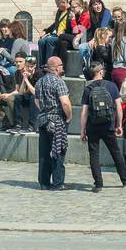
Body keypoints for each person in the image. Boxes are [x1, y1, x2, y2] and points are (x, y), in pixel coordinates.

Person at [80, 61, 126, 191]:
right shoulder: (111, 86)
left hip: (93, 126)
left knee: (94, 154)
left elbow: (84, 112)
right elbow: (119, 108)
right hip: (108, 125)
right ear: (101, 72)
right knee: (116, 152)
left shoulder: (88, 89)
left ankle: (98, 184)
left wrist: (82, 131)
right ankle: (125, 180)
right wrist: (119, 125)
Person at [34, 55, 72, 190]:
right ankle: (58, 183)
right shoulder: (58, 82)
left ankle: (44, 182)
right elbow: (65, 103)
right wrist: (69, 117)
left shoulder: (40, 82)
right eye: (61, 65)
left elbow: (37, 101)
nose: (63, 67)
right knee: (58, 151)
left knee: (44, 153)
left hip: (43, 120)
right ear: (56, 68)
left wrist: (45, 111)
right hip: (56, 120)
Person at [0, 55, 37, 133]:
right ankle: (18, 125)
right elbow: (20, 92)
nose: (18, 64)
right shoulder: (18, 73)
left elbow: (35, 92)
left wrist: (26, 79)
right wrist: (24, 78)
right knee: (18, 98)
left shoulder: (38, 73)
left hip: (37, 96)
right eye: (16, 62)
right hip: (27, 94)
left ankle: (31, 126)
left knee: (32, 98)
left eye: (20, 62)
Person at [38, 0, 78, 65]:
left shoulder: (72, 11)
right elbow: (55, 23)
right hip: (56, 35)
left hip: (66, 36)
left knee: (50, 40)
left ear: (64, 2)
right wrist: (46, 31)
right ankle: (41, 65)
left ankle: (49, 65)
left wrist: (63, 33)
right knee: (41, 41)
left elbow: (75, 27)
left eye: (58, 4)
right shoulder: (59, 11)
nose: (57, 6)